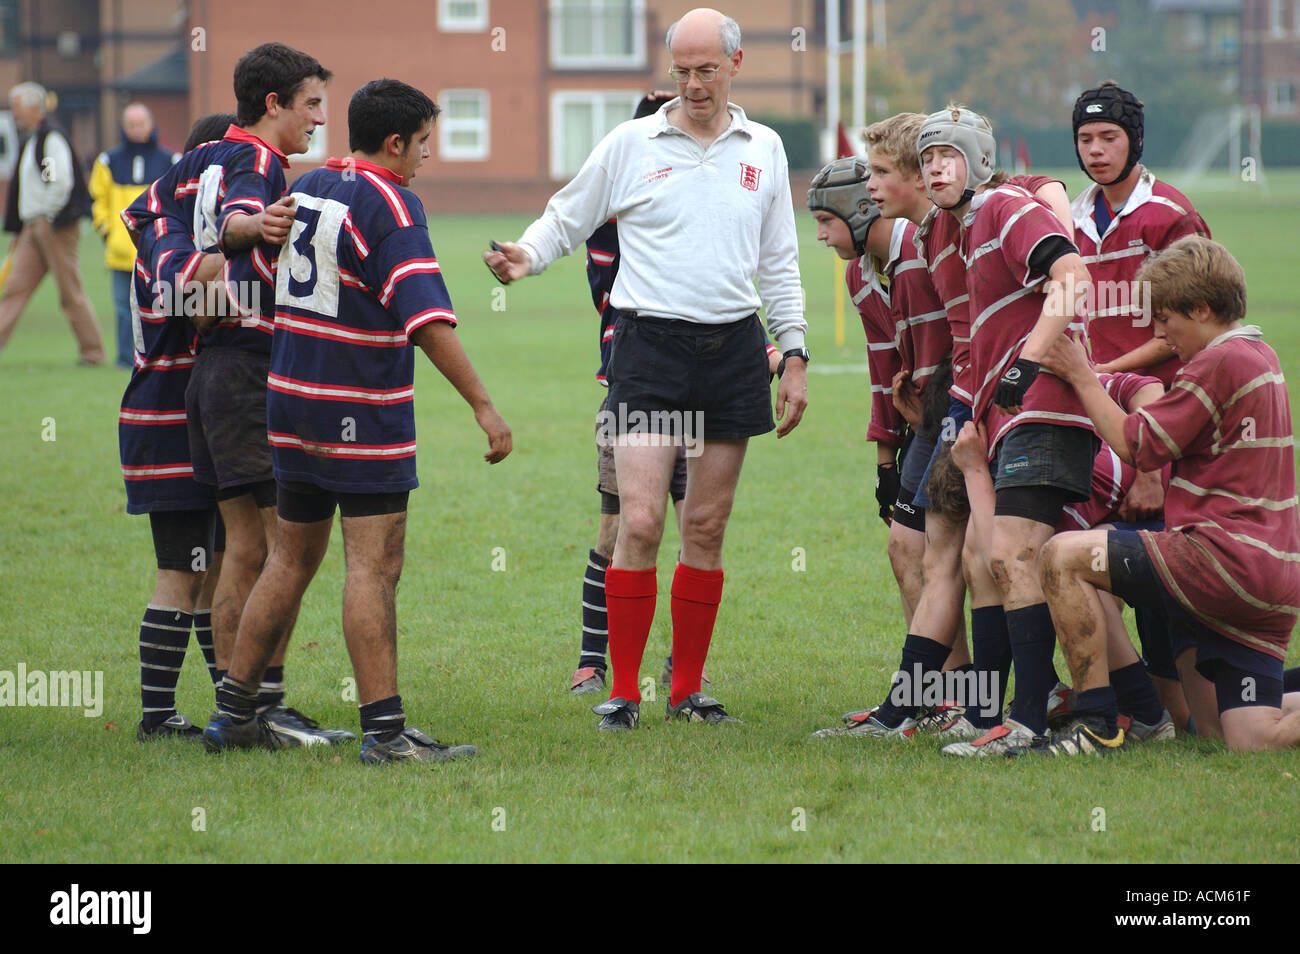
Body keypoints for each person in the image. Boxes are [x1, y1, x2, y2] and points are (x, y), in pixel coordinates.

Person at [486, 7, 807, 731]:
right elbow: (569, 214)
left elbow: (779, 261)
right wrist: (527, 256)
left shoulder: (767, 147)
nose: (693, 85)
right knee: (638, 520)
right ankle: (623, 692)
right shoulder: (632, 141)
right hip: (648, 348)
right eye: (682, 72)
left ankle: (688, 691)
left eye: (707, 71)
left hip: (731, 349)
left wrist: (794, 352)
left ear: (735, 64)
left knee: (708, 524)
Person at [204, 79, 511, 762]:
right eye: (424, 143)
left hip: (289, 400)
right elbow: (427, 322)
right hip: (358, 412)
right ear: (396, 141)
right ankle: (385, 734)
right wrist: (484, 407)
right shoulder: (394, 204)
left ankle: (232, 717)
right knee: (373, 566)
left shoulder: (313, 186)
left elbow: (251, 263)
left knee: (289, 555)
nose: (427, 157)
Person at [123, 43, 349, 746]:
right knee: (216, 561)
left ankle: (235, 705)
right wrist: (243, 239)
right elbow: (210, 265)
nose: (320, 118)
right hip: (182, 398)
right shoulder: (242, 168)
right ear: (273, 105)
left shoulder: (187, 185)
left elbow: (144, 210)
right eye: (310, 103)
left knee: (228, 558)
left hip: (198, 391)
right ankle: (220, 710)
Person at [1033, 236, 1300, 754]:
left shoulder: (1218, 362)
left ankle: (1096, 723)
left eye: (1166, 319)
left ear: (1202, 309)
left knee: (1062, 556)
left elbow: (1139, 444)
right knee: (1241, 737)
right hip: (1269, 578)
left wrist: (1081, 375)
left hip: (1219, 563)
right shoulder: (1260, 355)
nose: (1159, 334)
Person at [913, 106, 1097, 757]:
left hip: (1044, 410)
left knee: (1013, 556)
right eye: (927, 156)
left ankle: (1028, 721)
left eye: (949, 154)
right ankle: (993, 712)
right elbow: (976, 349)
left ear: (979, 163)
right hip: (1002, 417)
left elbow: (1074, 277)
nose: (934, 165)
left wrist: (1028, 362)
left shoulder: (1001, 209)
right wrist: (964, 414)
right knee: (983, 559)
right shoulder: (964, 236)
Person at [121, 113, 238, 741]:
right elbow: (204, 314)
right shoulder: (168, 247)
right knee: (181, 572)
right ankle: (158, 715)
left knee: (216, 567)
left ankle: (231, 700)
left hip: (198, 419)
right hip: (167, 418)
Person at [0, 82, 104, 364]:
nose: (14, 114)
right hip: (32, 227)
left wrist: (48, 215)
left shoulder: (50, 139)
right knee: (13, 289)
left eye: (18, 107)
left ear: (36, 109)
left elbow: (60, 182)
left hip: (53, 226)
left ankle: (93, 352)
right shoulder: (33, 139)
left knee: (70, 292)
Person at [91, 102, 179, 368]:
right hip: (119, 252)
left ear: (151, 125)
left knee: (160, 306)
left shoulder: (170, 161)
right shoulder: (107, 161)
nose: (136, 129)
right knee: (122, 309)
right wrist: (107, 232)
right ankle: (124, 359)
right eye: (131, 124)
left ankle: (157, 358)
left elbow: (175, 201)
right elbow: (98, 200)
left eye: (141, 124)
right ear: (123, 127)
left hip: (157, 251)